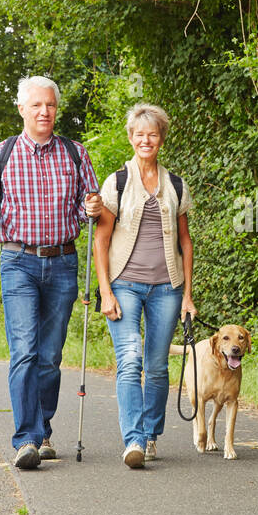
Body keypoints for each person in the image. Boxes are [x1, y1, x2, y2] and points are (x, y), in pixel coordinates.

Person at [0, 76, 102, 470]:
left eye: (50, 106)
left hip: (62, 261)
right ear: (22, 109)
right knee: (24, 351)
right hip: (18, 261)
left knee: (50, 356)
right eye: (37, 106)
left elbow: (88, 207)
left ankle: (43, 430)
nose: (44, 112)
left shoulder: (75, 154)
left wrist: (92, 209)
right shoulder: (1, 153)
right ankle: (26, 438)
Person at [93, 103, 196, 468]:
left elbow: (185, 242)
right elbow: (101, 241)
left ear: (161, 139)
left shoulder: (176, 185)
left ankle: (151, 435)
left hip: (166, 287)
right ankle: (133, 441)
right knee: (129, 360)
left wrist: (187, 295)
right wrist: (105, 292)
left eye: (152, 134)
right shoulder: (116, 182)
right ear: (131, 138)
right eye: (139, 134)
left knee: (155, 366)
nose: (145, 140)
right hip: (124, 285)